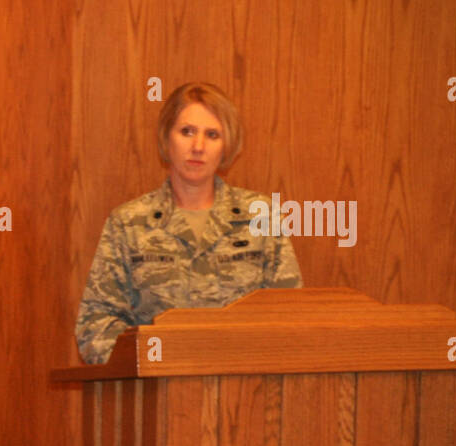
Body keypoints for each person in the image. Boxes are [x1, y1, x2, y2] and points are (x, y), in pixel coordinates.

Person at [75, 82, 302, 364]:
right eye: (187, 132)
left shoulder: (261, 215)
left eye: (212, 135)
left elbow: (290, 318)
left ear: (227, 145)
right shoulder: (129, 223)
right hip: (156, 393)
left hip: (245, 391)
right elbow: (94, 325)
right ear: (166, 138)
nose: (198, 146)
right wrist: (161, 358)